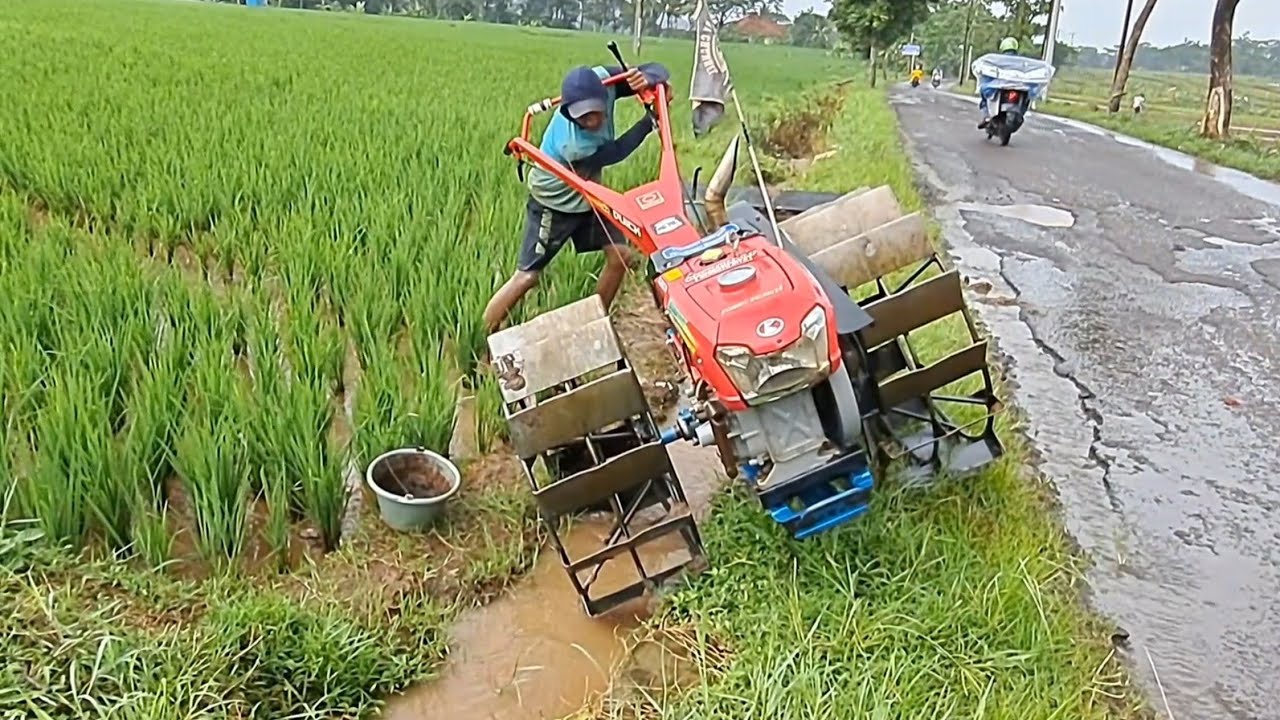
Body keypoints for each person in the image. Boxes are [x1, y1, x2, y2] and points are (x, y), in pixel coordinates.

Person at [482, 61, 671, 336]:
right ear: (569, 113)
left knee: (620, 257)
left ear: (602, 94)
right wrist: (649, 121)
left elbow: (655, 69)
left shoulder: (601, 80)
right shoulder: (573, 144)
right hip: (555, 203)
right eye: (583, 118)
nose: (592, 121)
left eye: (596, 112)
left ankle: (594, 325)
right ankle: (481, 335)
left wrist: (645, 79)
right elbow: (616, 152)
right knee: (528, 277)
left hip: (588, 195)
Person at [979, 37, 1021, 129]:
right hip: (1018, 87)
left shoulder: (997, 60)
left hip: (1000, 87)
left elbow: (988, 74)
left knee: (983, 93)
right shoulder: (1021, 61)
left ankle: (986, 116)